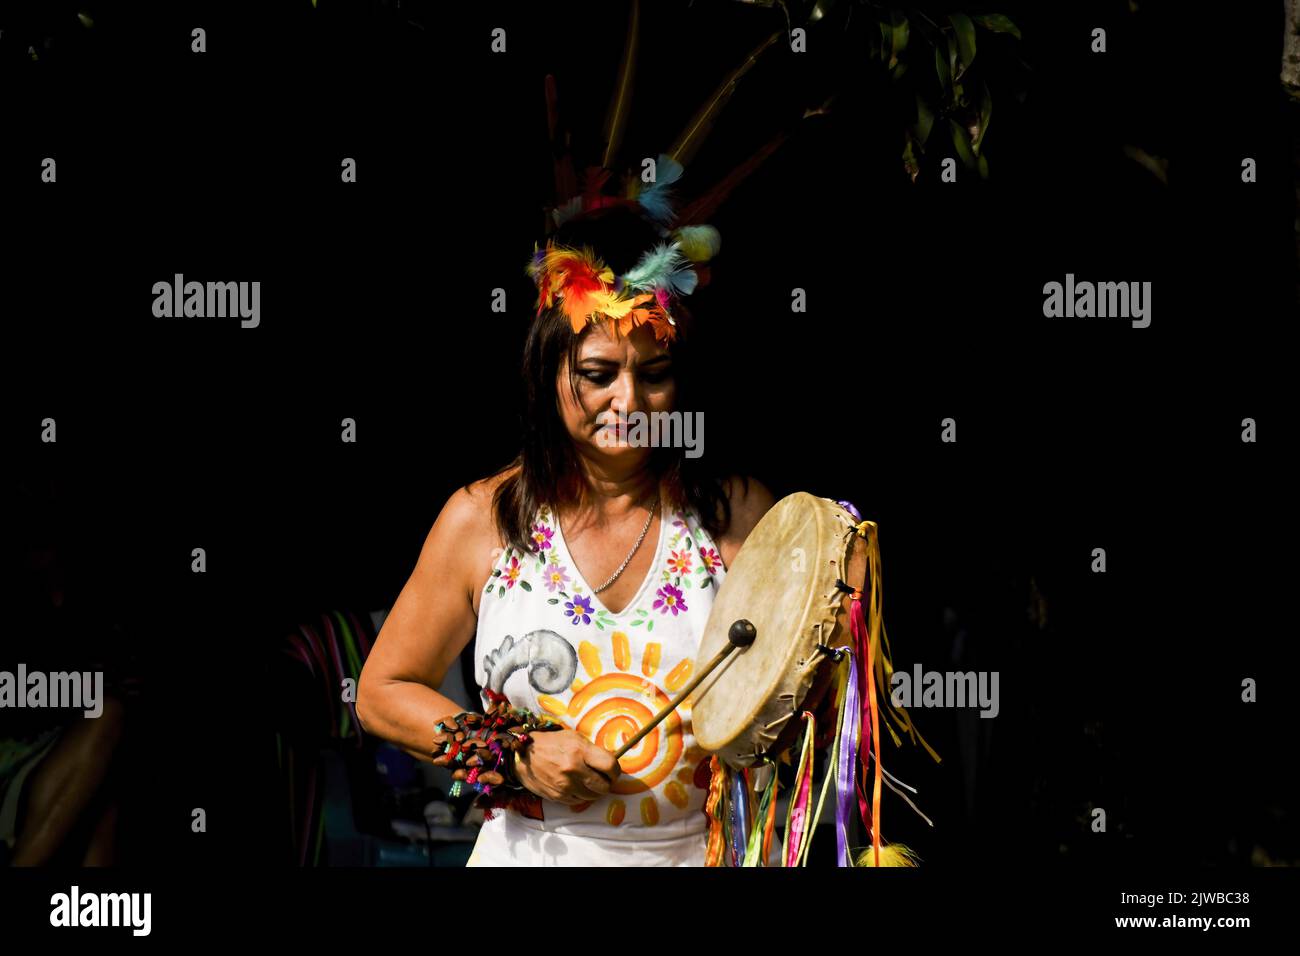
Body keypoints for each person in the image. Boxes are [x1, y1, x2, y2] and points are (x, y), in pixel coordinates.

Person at [357, 205, 775, 865]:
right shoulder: (484, 519)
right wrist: (515, 753)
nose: (629, 403)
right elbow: (383, 693)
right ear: (550, 373)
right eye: (598, 374)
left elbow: (797, 702)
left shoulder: (734, 512)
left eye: (655, 376)